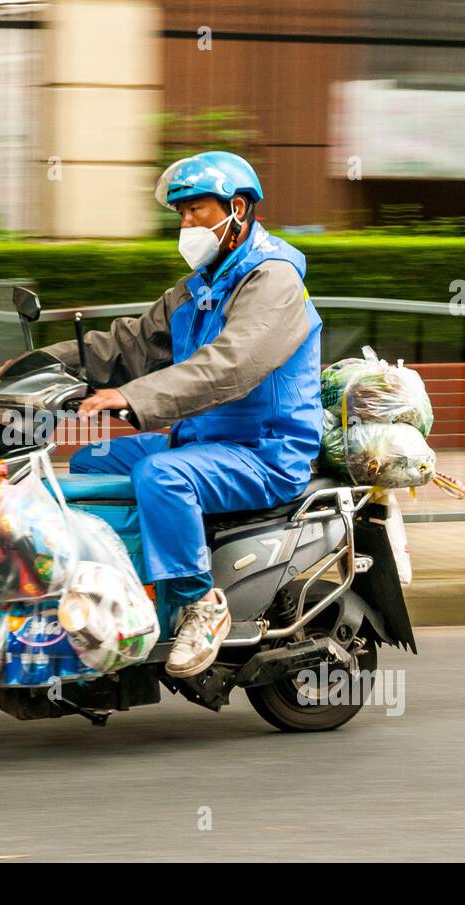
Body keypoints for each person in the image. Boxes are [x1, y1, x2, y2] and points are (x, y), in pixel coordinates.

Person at [40, 151, 324, 678]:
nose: (186, 224)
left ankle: (199, 606)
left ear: (238, 210)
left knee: (161, 476)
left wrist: (133, 398)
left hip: (265, 451)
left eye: (196, 210)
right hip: (205, 440)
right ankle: (134, 590)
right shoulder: (200, 288)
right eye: (181, 214)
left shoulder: (274, 282)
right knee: (95, 461)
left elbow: (230, 365)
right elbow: (130, 344)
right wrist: (43, 367)